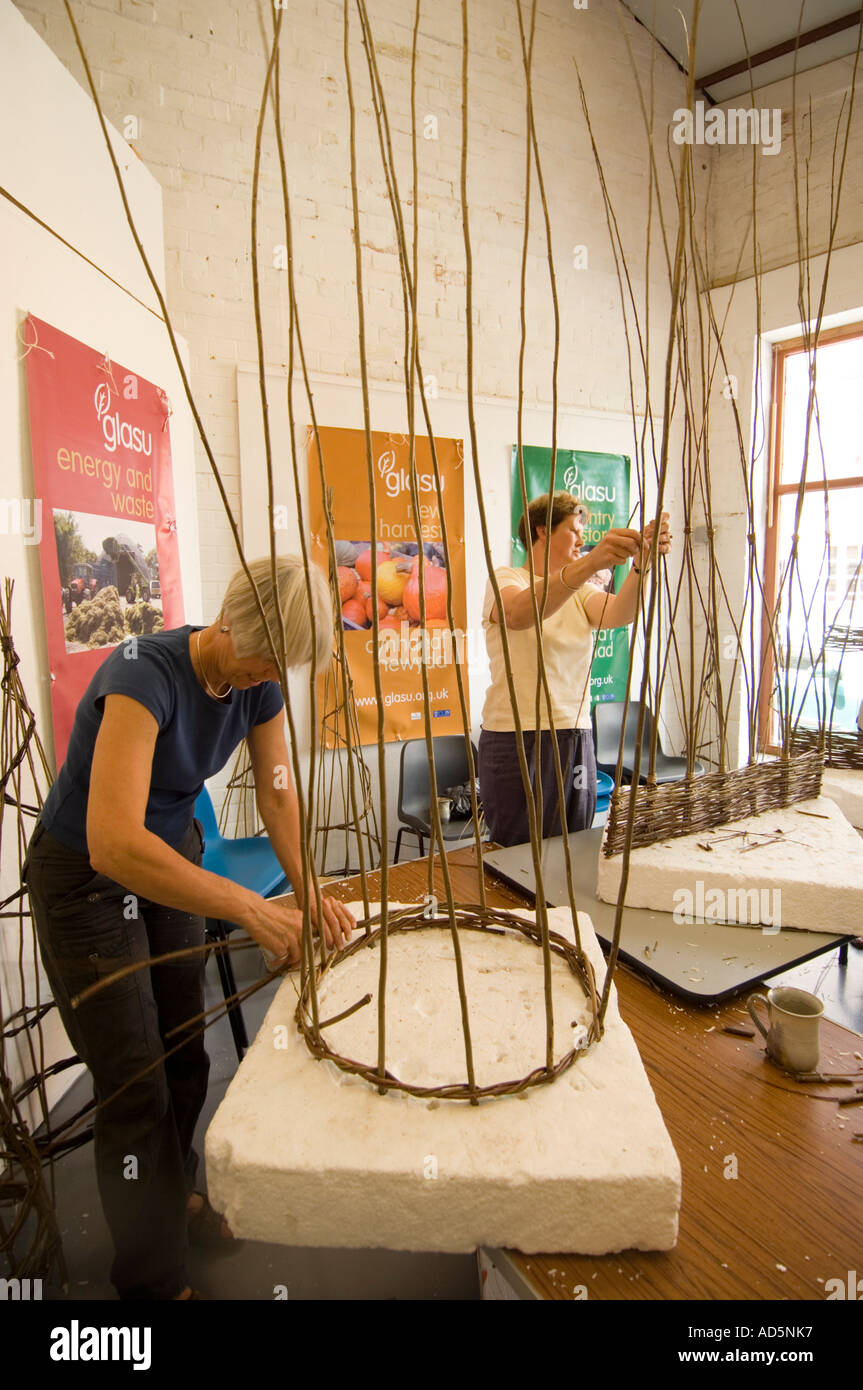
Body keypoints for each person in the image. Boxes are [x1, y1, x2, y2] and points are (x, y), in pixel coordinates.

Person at [23, 556, 355, 1301]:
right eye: (264, 655)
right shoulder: (142, 673)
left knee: (184, 1053)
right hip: (86, 880)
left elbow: (277, 798)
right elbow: (112, 840)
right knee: (135, 1081)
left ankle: (172, 1198)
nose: (268, 674)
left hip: (170, 858)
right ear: (231, 618)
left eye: (280, 665)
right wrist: (246, 906)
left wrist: (311, 893)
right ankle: (151, 1281)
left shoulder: (256, 682)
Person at [477, 491, 672, 847]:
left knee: (573, 846)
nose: (583, 540)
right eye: (574, 529)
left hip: (574, 734)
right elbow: (518, 614)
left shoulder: (580, 592)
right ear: (541, 531)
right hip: (515, 736)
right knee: (516, 851)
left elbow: (619, 615)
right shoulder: (507, 579)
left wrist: (643, 565)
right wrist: (593, 562)